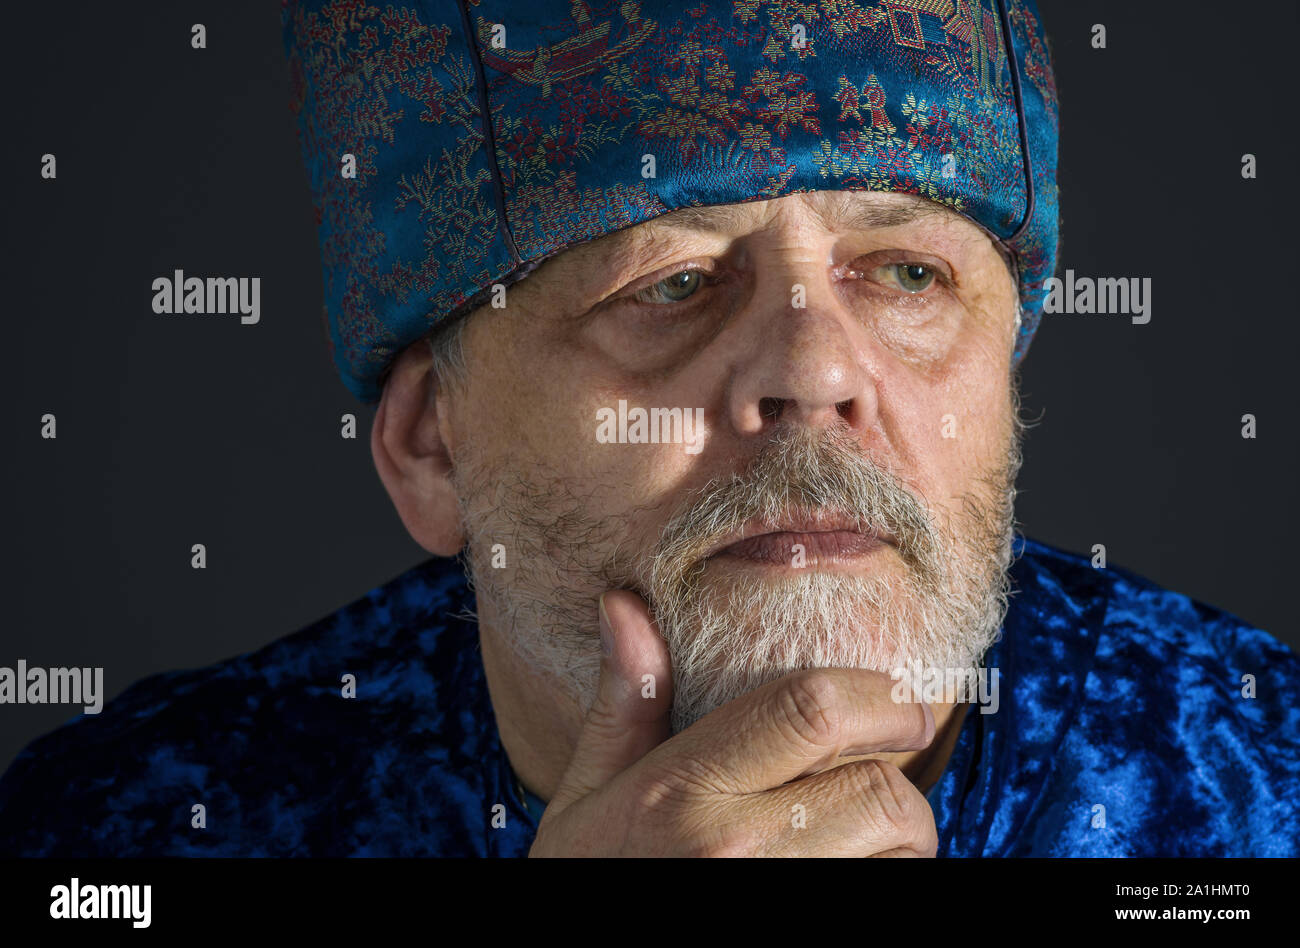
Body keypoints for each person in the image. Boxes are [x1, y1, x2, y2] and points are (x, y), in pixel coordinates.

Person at [1, 0, 1295, 857]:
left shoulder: (1267, 780)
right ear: (432, 447)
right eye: (671, 285)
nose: (814, 374)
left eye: (906, 275)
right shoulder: (123, 836)